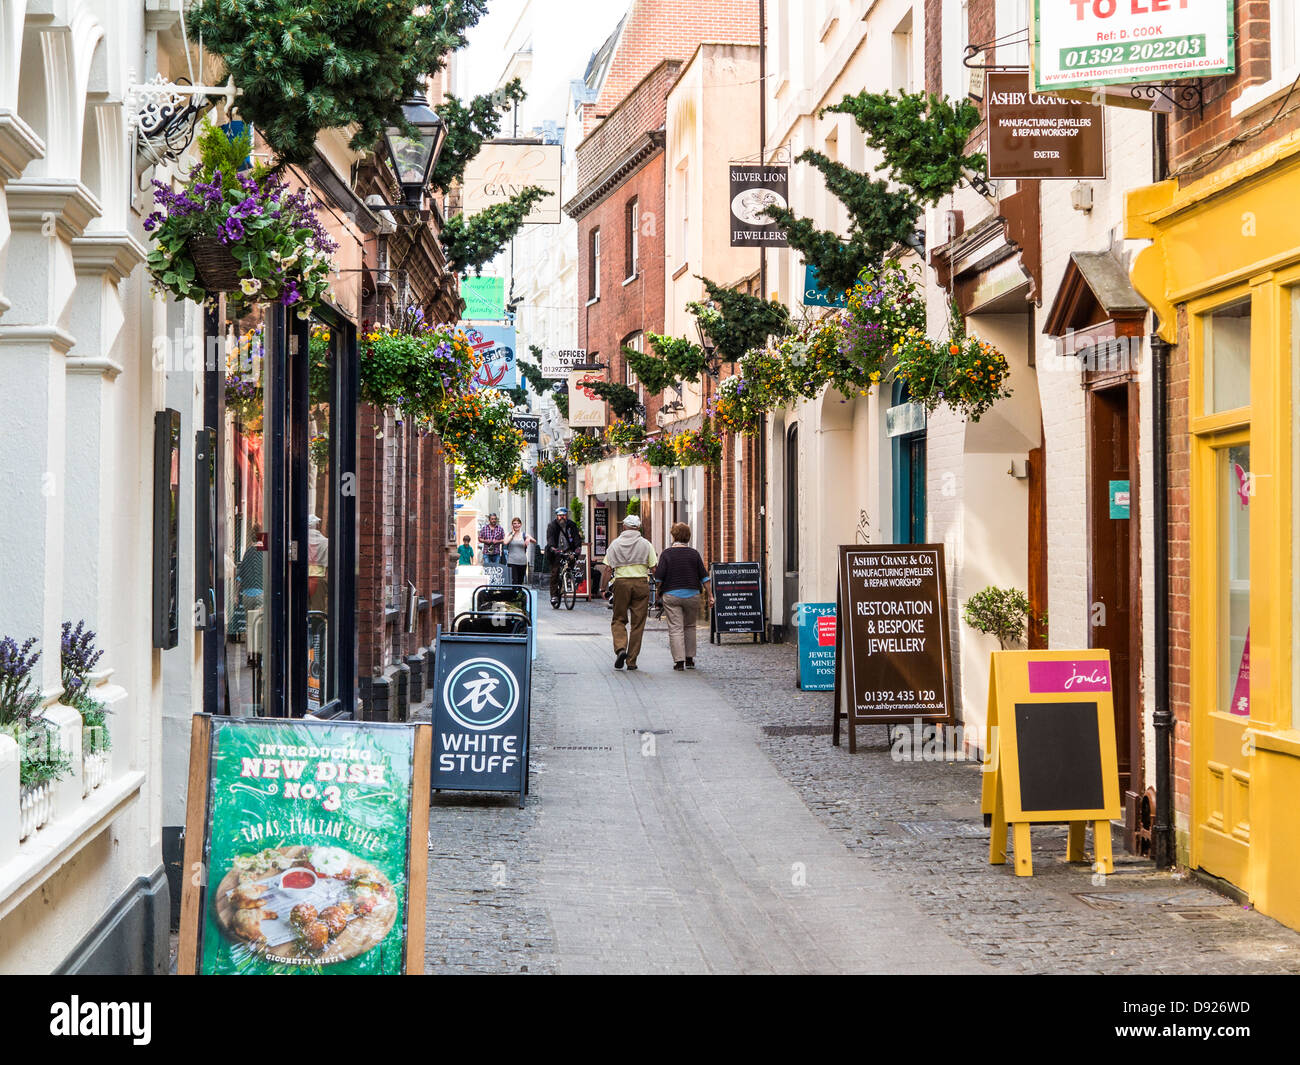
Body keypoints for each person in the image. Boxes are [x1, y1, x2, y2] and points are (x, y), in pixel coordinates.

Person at [603, 514, 657, 671]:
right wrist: (660, 586)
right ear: (638, 528)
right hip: (641, 583)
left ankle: (620, 649)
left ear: (624, 527)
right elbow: (654, 568)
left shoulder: (615, 544)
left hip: (621, 584)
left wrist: (603, 588)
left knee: (619, 619)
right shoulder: (646, 544)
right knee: (638, 624)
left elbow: (607, 568)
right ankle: (631, 661)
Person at [654, 522, 710, 671]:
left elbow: (659, 578)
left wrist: (657, 593)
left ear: (673, 535)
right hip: (692, 595)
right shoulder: (694, 554)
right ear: (688, 536)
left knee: (676, 628)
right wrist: (711, 596)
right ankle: (690, 659)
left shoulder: (666, 554)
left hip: (672, 595)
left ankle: (679, 662)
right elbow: (704, 578)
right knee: (690, 626)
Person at [545, 506, 582, 604]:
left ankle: (568, 578)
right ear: (557, 516)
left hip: (568, 549)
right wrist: (553, 548)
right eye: (560, 515)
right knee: (555, 572)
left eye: (564, 515)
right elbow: (550, 538)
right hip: (556, 551)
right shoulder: (552, 526)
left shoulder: (571, 525)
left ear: (567, 515)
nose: (562, 517)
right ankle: (554, 595)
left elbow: (576, 537)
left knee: (571, 562)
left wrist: (578, 548)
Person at [503, 517, 536, 586]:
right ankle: (513, 595)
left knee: (520, 582)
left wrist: (528, 538)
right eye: (514, 523)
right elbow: (505, 542)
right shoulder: (508, 534)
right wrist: (513, 534)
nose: (516, 525)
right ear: (512, 525)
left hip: (522, 562)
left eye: (518, 523)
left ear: (520, 525)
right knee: (514, 582)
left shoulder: (524, 535)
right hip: (512, 561)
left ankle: (519, 596)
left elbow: (534, 541)